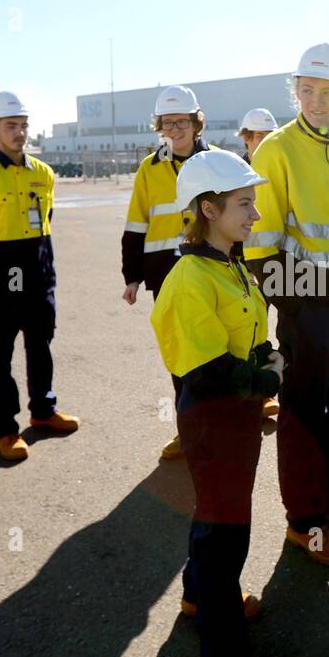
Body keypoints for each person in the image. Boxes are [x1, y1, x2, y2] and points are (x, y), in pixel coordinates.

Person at [150, 149, 285, 657]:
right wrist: (267, 378)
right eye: (244, 204)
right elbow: (205, 370)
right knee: (226, 532)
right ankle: (222, 656)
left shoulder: (228, 263)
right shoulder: (189, 277)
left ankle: (200, 599)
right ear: (208, 208)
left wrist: (267, 360)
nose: (255, 214)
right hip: (213, 421)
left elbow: (251, 337)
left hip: (236, 418)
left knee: (217, 519)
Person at [244, 43, 329, 568]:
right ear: (295, 90)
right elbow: (262, 248)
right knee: (304, 412)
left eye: (328, 92)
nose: (316, 102)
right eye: (306, 91)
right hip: (308, 307)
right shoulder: (275, 150)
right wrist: (296, 311)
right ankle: (304, 522)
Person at [0, 91, 78, 462]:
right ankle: (5, 430)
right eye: (11, 126)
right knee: (1, 356)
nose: (19, 133)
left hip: (40, 272)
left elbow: (46, 222)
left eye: (23, 126)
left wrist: (36, 269)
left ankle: (43, 411)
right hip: (2, 278)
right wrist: (1, 272)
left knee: (41, 346)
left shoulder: (44, 173)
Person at [121, 85, 216, 460]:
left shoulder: (217, 163)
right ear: (159, 126)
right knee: (180, 357)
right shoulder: (150, 168)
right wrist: (132, 276)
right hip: (167, 275)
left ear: (196, 122)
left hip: (211, 270)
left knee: (213, 353)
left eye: (182, 121)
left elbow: (238, 218)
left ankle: (216, 429)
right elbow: (136, 224)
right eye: (167, 122)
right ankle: (189, 433)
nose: (175, 129)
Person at [237, 107, 281, 419]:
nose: (262, 142)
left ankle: (268, 390)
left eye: (268, 136)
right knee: (250, 332)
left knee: (283, 331)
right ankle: (252, 392)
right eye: (257, 136)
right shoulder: (234, 175)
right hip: (245, 269)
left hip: (279, 264)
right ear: (246, 139)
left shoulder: (280, 172)